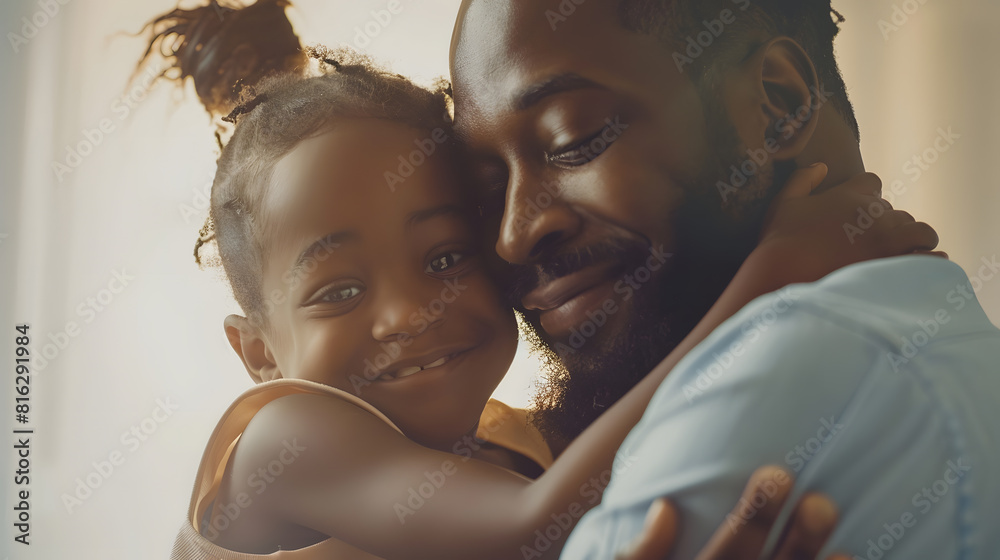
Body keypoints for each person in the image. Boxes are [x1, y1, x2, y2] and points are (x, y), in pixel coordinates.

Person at [134, 2, 922, 558]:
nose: (410, 311)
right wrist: (774, 277)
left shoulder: (523, 443)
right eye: (339, 291)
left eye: (447, 257)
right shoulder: (283, 441)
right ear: (259, 354)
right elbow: (530, 531)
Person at [448, 0, 1000, 558]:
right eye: (486, 191)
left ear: (778, 103)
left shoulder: (765, 394)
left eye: (574, 141)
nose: (512, 237)